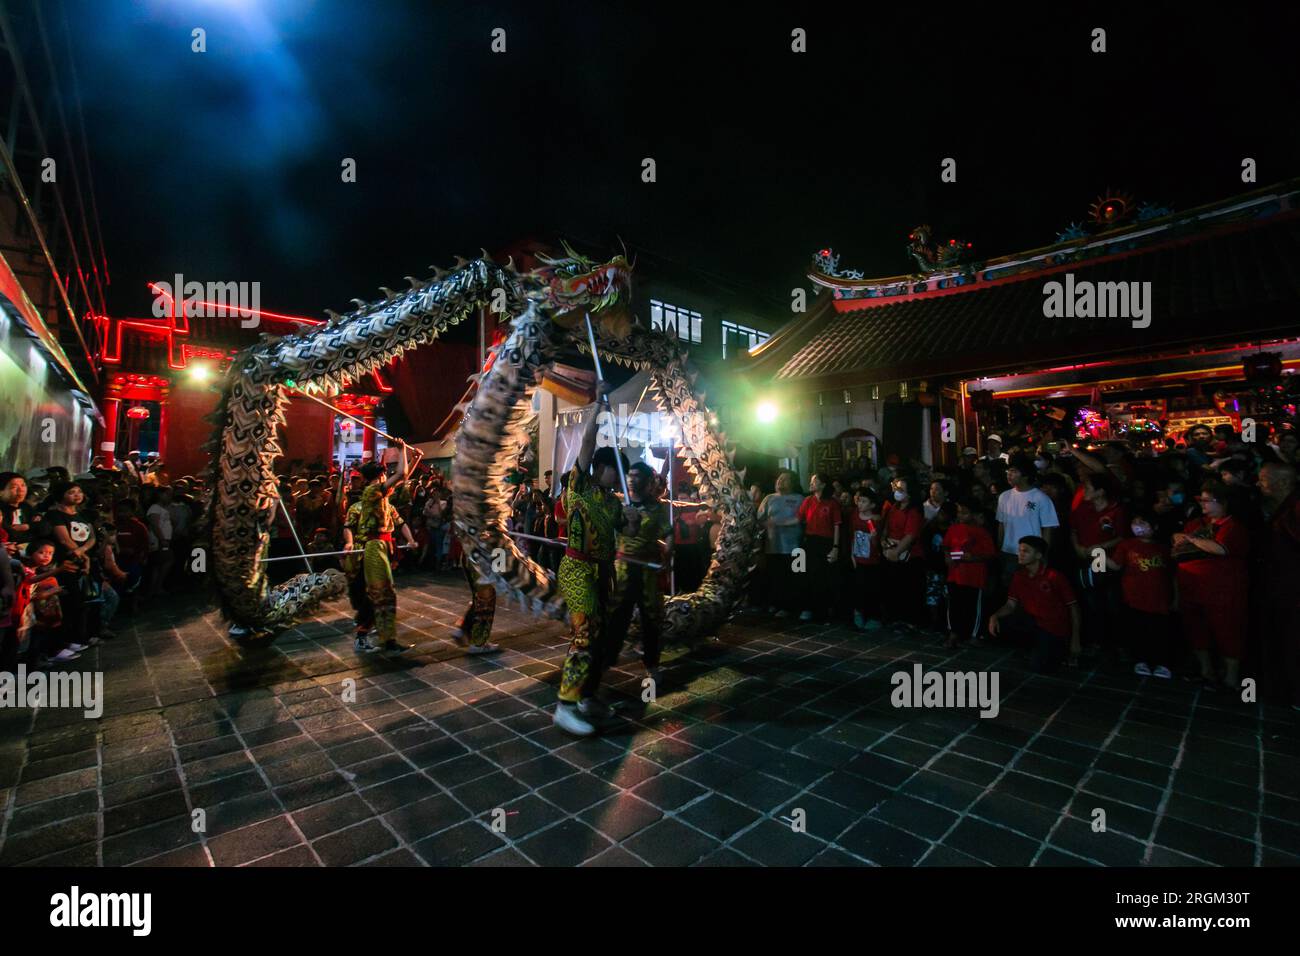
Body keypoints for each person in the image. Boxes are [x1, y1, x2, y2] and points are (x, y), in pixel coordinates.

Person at [553, 382, 642, 737]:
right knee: (585, 635)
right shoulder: (580, 486)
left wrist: (633, 522)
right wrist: (598, 406)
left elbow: (628, 534)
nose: (616, 478)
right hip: (576, 568)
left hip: (604, 573)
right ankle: (565, 705)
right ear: (600, 469)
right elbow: (588, 444)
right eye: (613, 471)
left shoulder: (611, 502)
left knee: (601, 638)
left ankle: (588, 696)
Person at [343, 444, 420, 654]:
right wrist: (403, 449)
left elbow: (403, 478)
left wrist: (415, 457)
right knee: (381, 593)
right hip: (373, 546)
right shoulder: (372, 491)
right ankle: (367, 637)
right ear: (382, 475)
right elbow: (402, 475)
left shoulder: (382, 497)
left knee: (384, 594)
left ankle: (387, 639)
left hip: (383, 545)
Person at [1174, 480, 1249, 694]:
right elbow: (1178, 539)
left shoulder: (1233, 527)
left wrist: (1190, 540)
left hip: (1222, 592)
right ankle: (1206, 671)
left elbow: (1220, 548)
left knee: (1228, 634)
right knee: (1197, 631)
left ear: (1224, 503)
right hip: (1192, 589)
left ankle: (1230, 678)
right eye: (1201, 500)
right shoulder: (1199, 523)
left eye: (1208, 501)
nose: (1203, 505)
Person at [608, 461, 672, 679]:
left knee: (651, 620)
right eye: (630, 475)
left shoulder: (656, 507)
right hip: (623, 570)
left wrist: (668, 552)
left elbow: (668, 533)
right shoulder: (619, 504)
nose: (632, 479)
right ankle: (604, 662)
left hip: (648, 571)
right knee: (617, 617)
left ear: (646, 480)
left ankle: (652, 665)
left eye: (637, 476)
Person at [988, 535, 1081, 673]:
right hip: (1034, 623)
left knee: (1041, 667)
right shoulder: (1019, 576)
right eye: (1019, 550)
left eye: (1025, 551)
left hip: (1054, 629)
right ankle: (1032, 648)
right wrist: (994, 616)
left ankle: (1057, 651)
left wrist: (1075, 640)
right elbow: (1010, 604)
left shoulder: (1054, 576)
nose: (1020, 554)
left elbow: (1073, 607)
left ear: (1038, 555)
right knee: (1001, 624)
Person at [1108, 510, 1174, 679]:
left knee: (1160, 631)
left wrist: (1176, 598)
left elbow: (1172, 575)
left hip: (1160, 599)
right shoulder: (1127, 545)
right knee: (1138, 629)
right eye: (1135, 522)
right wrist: (1098, 554)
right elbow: (1115, 565)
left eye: (1143, 523)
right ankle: (1141, 660)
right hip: (1134, 598)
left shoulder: (1163, 548)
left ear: (1155, 527)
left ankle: (1162, 662)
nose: (1138, 527)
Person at [1257, 463, 1300, 708]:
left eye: (1263, 480)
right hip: (1280, 583)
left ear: (1282, 483)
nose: (1259, 484)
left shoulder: (1295, 508)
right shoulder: (1280, 507)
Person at [995, 455, 1060, 592]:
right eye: (1009, 471)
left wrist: (1044, 554)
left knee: (1032, 591)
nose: (1009, 475)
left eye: (1014, 471)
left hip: (1032, 555)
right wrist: (1000, 547)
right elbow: (1001, 524)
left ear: (1025, 475)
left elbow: (1047, 529)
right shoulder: (1004, 497)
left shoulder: (1041, 498)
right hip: (1009, 553)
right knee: (1010, 591)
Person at [942, 499, 996, 648]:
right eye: (959, 512)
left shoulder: (981, 532)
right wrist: (947, 557)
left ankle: (974, 634)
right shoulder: (954, 528)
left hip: (974, 575)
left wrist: (974, 557)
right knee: (954, 604)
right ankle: (953, 632)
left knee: (972, 605)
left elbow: (990, 553)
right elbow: (946, 546)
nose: (961, 516)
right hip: (955, 573)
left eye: (964, 513)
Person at [880, 474, 924, 627]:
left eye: (901, 489)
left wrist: (897, 551)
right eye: (896, 488)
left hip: (908, 556)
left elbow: (910, 535)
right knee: (893, 588)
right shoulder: (894, 507)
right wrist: (884, 541)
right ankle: (895, 617)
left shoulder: (914, 511)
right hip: (891, 550)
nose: (897, 491)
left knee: (908, 589)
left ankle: (910, 620)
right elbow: (886, 527)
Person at [796, 473, 841, 623]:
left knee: (824, 577)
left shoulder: (832, 503)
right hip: (809, 541)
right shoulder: (808, 500)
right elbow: (798, 519)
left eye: (814, 481)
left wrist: (835, 547)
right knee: (805, 573)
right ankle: (808, 608)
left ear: (823, 485)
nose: (811, 484)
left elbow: (836, 526)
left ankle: (824, 612)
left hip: (826, 542)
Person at [848, 487, 884, 630]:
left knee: (872, 588)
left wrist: (875, 537)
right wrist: (851, 554)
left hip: (872, 559)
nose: (860, 504)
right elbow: (852, 534)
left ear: (872, 505)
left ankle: (873, 616)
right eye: (859, 501)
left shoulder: (875, 520)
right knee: (859, 587)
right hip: (858, 557)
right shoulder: (854, 515)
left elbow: (877, 543)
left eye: (864, 501)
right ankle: (858, 613)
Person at [452, 557, 501, 655]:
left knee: (479, 598)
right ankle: (478, 642)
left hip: (470, 557)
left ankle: (464, 628)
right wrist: (500, 570)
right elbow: (497, 545)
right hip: (483, 562)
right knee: (486, 601)